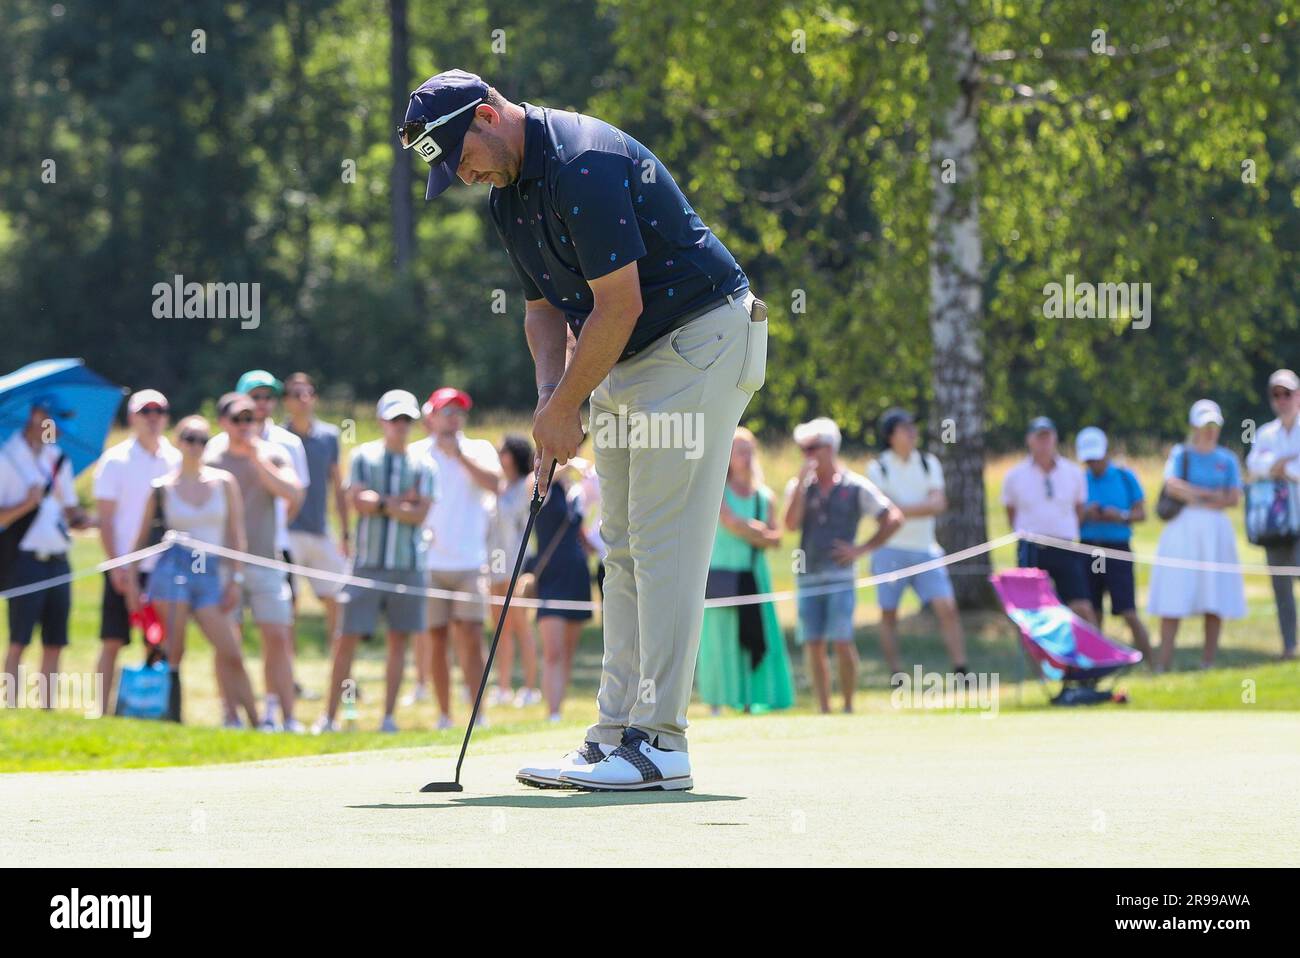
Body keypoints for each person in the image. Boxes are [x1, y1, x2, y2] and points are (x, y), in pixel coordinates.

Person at [403, 70, 767, 790]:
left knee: (662, 543)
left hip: (696, 340)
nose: (462, 176)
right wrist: (549, 402)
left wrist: (569, 406)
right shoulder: (508, 197)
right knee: (624, 546)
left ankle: (660, 742)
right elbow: (543, 312)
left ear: (488, 116)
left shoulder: (581, 163)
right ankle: (613, 736)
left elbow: (619, 304)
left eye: (459, 156)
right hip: (630, 353)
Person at [123, 416, 259, 727]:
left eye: (201, 439)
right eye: (189, 438)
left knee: (231, 649)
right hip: (173, 570)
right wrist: (130, 581)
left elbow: (236, 535)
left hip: (211, 572)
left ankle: (256, 721)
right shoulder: (161, 487)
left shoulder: (224, 483)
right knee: (173, 652)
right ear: (179, 441)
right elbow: (140, 538)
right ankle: (170, 718)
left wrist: (235, 578)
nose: (195, 445)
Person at [317, 391, 435, 733]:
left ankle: (387, 717)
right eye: (395, 419)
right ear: (383, 421)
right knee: (346, 639)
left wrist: (382, 503)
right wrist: (398, 503)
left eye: (406, 420)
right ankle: (330, 716)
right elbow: (358, 502)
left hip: (408, 564)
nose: (401, 426)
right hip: (366, 563)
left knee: (399, 641)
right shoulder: (363, 457)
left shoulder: (423, 464)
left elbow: (421, 514)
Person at [782, 417, 902, 715]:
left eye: (813, 448)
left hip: (840, 575)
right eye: (804, 449)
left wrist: (862, 548)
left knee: (842, 640)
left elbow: (892, 517)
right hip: (808, 575)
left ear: (830, 448)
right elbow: (790, 523)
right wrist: (799, 484)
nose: (808, 455)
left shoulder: (855, 485)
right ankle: (824, 708)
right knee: (813, 643)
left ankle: (848, 705)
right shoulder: (799, 486)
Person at [205, 392, 304, 730]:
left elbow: (291, 493)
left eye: (251, 419)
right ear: (223, 423)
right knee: (227, 642)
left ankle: (286, 716)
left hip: (266, 561)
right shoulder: (212, 460)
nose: (246, 425)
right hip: (224, 565)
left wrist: (258, 460)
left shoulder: (273, 454)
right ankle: (231, 713)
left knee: (277, 636)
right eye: (238, 419)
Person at [409, 387, 500, 729]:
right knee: (435, 638)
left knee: (472, 635)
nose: (453, 418)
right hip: (429, 562)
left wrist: (459, 456)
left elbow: (496, 484)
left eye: (458, 412)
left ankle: (479, 714)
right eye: (446, 411)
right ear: (430, 417)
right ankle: (444, 715)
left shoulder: (479, 449)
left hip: (469, 561)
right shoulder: (417, 453)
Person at [93, 389, 182, 709]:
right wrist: (118, 566)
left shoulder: (176, 458)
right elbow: (106, 520)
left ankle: (154, 707)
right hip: (122, 565)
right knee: (113, 640)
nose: (154, 418)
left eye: (160, 411)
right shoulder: (115, 460)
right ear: (133, 418)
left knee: (158, 641)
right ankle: (101, 709)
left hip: (163, 567)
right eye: (146, 412)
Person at [695, 428, 794, 714]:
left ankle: (751, 699)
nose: (746, 457)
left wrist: (756, 532)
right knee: (719, 638)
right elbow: (730, 522)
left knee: (754, 635)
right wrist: (761, 532)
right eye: (740, 451)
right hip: (721, 573)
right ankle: (717, 701)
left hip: (753, 574)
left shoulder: (765, 497)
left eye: (749, 451)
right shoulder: (717, 489)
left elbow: (777, 539)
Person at [865, 408, 968, 676]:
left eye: (913, 427)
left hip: (926, 549)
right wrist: (921, 507)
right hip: (889, 550)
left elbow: (938, 503)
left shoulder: (928, 462)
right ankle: (896, 673)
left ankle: (960, 668)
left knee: (947, 608)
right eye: (905, 428)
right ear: (890, 436)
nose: (912, 433)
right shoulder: (877, 467)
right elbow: (885, 511)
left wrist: (902, 510)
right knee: (889, 614)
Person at [0, 399, 88, 708]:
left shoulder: (57, 459)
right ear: (36, 417)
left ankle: (46, 707)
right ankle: (9, 703)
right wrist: (27, 503)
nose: (58, 432)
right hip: (24, 560)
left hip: (59, 560)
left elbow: (68, 508)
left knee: (55, 641)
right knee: (19, 639)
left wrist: (81, 518)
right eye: (53, 423)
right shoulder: (6, 457)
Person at [1148, 400, 1246, 671]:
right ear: (1194, 427)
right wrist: (1207, 494)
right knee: (1174, 590)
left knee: (1213, 593)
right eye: (1205, 426)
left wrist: (1197, 495)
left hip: (1215, 532)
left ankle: (1208, 661)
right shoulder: (1181, 454)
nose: (1210, 431)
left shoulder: (1227, 459)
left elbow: (1233, 497)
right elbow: (1173, 486)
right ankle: (1163, 663)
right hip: (1183, 530)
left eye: (1214, 426)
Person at [1001, 417, 1096, 625]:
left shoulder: (1073, 473)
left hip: (1065, 545)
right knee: (1031, 608)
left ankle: (1090, 654)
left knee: (1081, 605)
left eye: (1048, 437)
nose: (1044, 443)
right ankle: (1038, 656)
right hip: (1031, 547)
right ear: (1029, 440)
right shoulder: (1014, 476)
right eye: (1039, 437)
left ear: (1055, 438)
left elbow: (1079, 508)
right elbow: (1010, 511)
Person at [282, 372, 349, 652]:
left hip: (321, 529)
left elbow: (338, 485)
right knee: (288, 603)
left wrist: (346, 532)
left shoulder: (330, 436)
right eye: (297, 394)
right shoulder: (279, 437)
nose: (304, 399)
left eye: (309, 393)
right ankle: (290, 673)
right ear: (287, 401)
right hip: (288, 531)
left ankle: (340, 667)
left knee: (338, 597)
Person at [1075, 426, 1152, 661]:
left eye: (1096, 458)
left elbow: (1141, 513)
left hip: (1118, 549)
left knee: (1128, 611)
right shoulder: (1079, 480)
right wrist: (1086, 513)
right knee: (1092, 611)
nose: (1093, 464)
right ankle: (1096, 661)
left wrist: (1120, 516)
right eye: (1088, 460)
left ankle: (1151, 662)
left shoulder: (1124, 476)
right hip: (1088, 547)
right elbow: (1070, 516)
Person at [527, 463, 593, 723]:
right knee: (552, 649)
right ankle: (552, 712)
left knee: (567, 650)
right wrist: (565, 467)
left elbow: (580, 532)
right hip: (550, 575)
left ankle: (559, 710)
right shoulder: (544, 485)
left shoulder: (576, 491)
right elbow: (529, 490)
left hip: (576, 572)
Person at [1244, 368, 1300, 660]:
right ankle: (1290, 646)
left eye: (1287, 393)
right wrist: (1281, 465)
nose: (1282, 399)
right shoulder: (1265, 432)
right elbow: (1254, 464)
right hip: (1274, 523)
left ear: (1298, 395)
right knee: (1282, 586)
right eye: (1276, 394)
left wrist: (1283, 468)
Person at [486, 435, 540, 708]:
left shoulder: (525, 485)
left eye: (503, 451)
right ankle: (503, 687)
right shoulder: (499, 485)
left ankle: (531, 688)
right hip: (495, 567)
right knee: (500, 630)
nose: (499, 455)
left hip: (516, 565)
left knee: (521, 627)